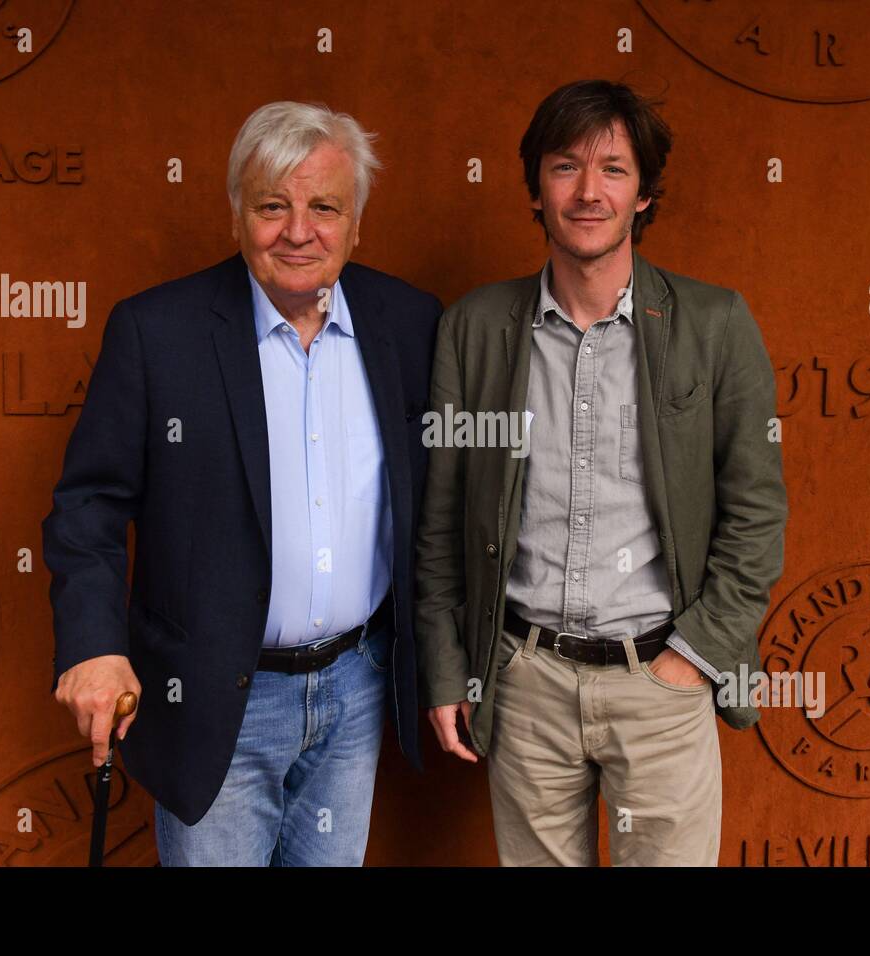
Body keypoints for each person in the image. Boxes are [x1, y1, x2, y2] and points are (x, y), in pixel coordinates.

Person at [44, 101, 441, 866]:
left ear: (356, 222)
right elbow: (87, 508)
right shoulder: (158, 334)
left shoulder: (411, 323)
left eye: (324, 207)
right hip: (215, 699)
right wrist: (92, 647)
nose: (299, 231)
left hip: (357, 691)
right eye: (272, 206)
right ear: (236, 215)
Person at [415, 79, 788, 866]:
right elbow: (442, 520)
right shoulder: (475, 329)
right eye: (565, 167)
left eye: (613, 169)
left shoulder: (716, 325)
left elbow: (756, 515)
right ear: (536, 189)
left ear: (645, 192)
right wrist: (451, 668)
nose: (589, 192)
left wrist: (693, 658)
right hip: (524, 684)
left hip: (661, 678)